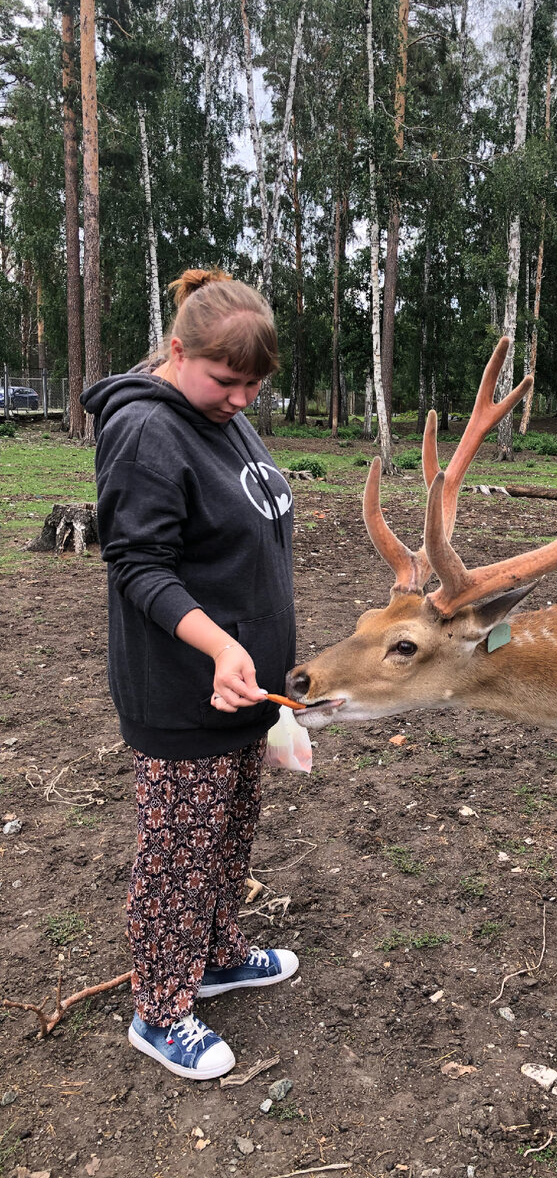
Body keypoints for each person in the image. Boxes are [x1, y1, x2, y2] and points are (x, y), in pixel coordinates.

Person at [81, 268, 299, 1081]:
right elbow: (137, 565)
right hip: (182, 689)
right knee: (178, 851)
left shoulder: (222, 416)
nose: (243, 399)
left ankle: (214, 956)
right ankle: (160, 1008)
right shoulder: (147, 431)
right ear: (178, 352)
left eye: (255, 385)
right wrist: (218, 645)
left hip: (240, 686)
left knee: (229, 831)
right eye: (227, 381)